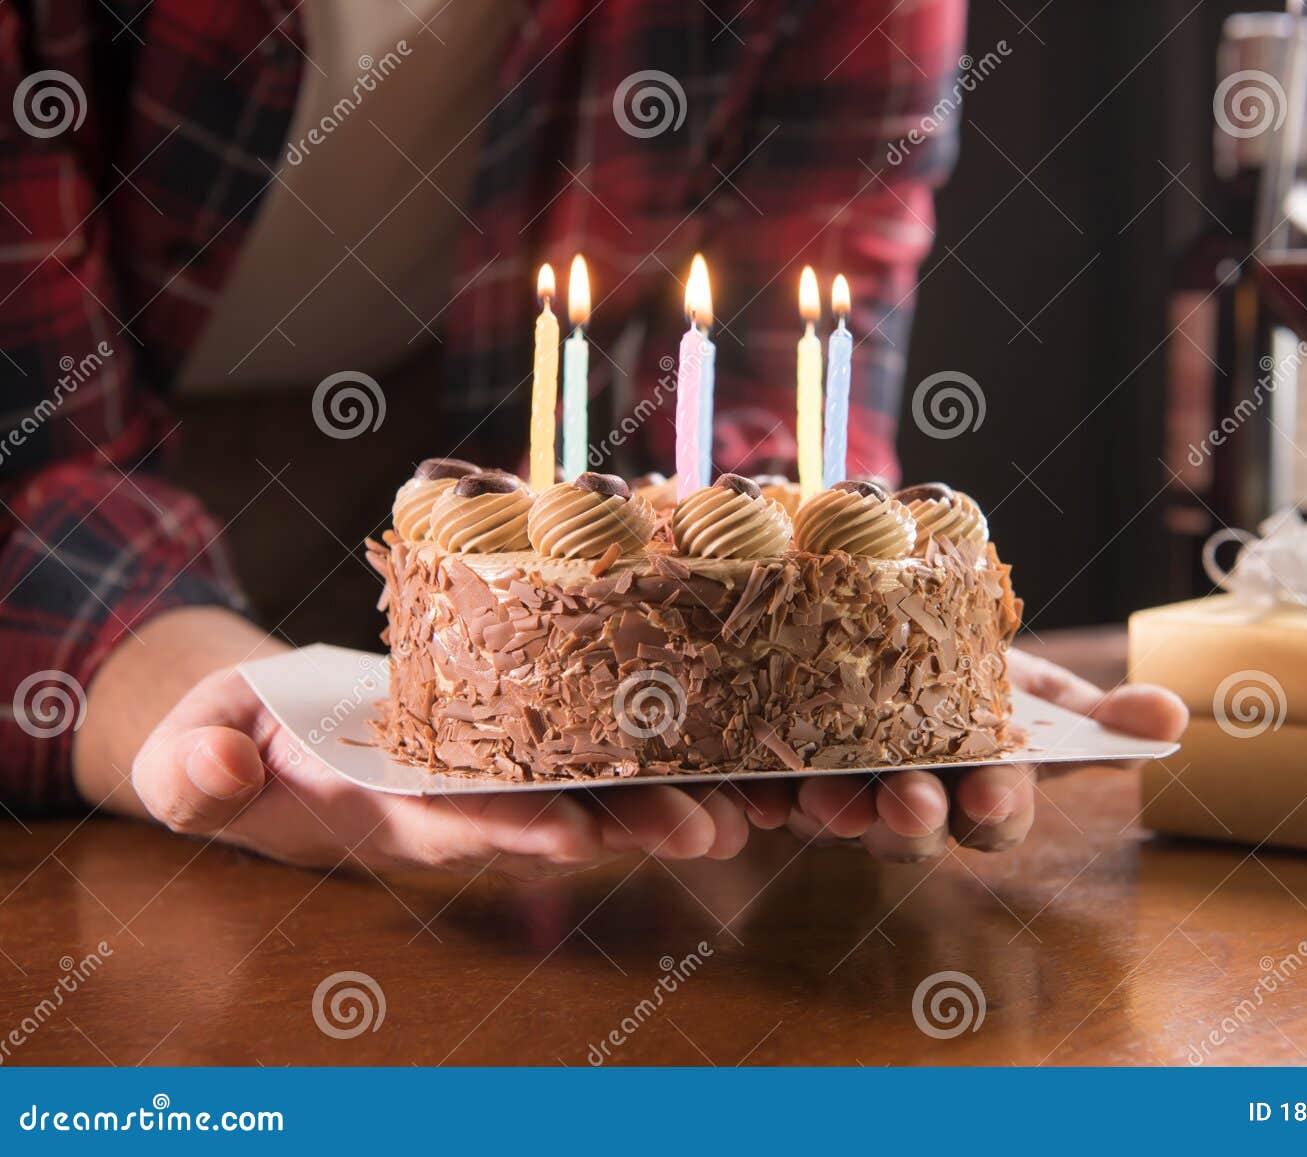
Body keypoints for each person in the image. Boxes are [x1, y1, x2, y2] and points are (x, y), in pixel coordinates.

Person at [0, 1, 1185, 873]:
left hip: (505, 517)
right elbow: (29, 456)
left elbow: (782, 413)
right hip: (111, 525)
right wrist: (201, 688)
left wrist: (827, 666)